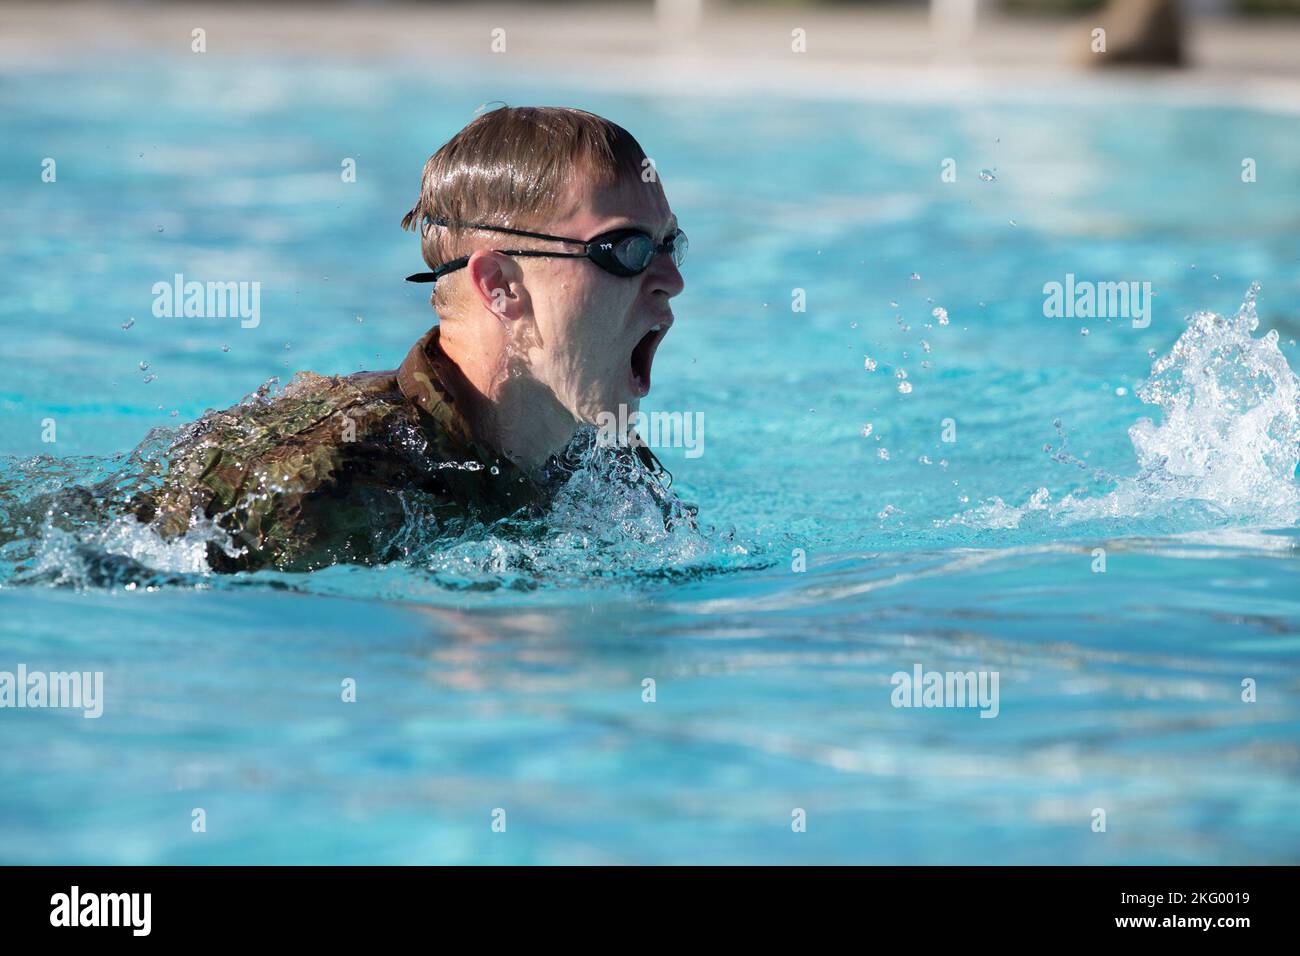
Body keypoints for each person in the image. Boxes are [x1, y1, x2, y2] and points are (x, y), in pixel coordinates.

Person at [131, 106, 688, 572]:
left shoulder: (610, 469)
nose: (672, 281)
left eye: (671, 245)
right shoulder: (321, 486)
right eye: (626, 250)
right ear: (500, 286)